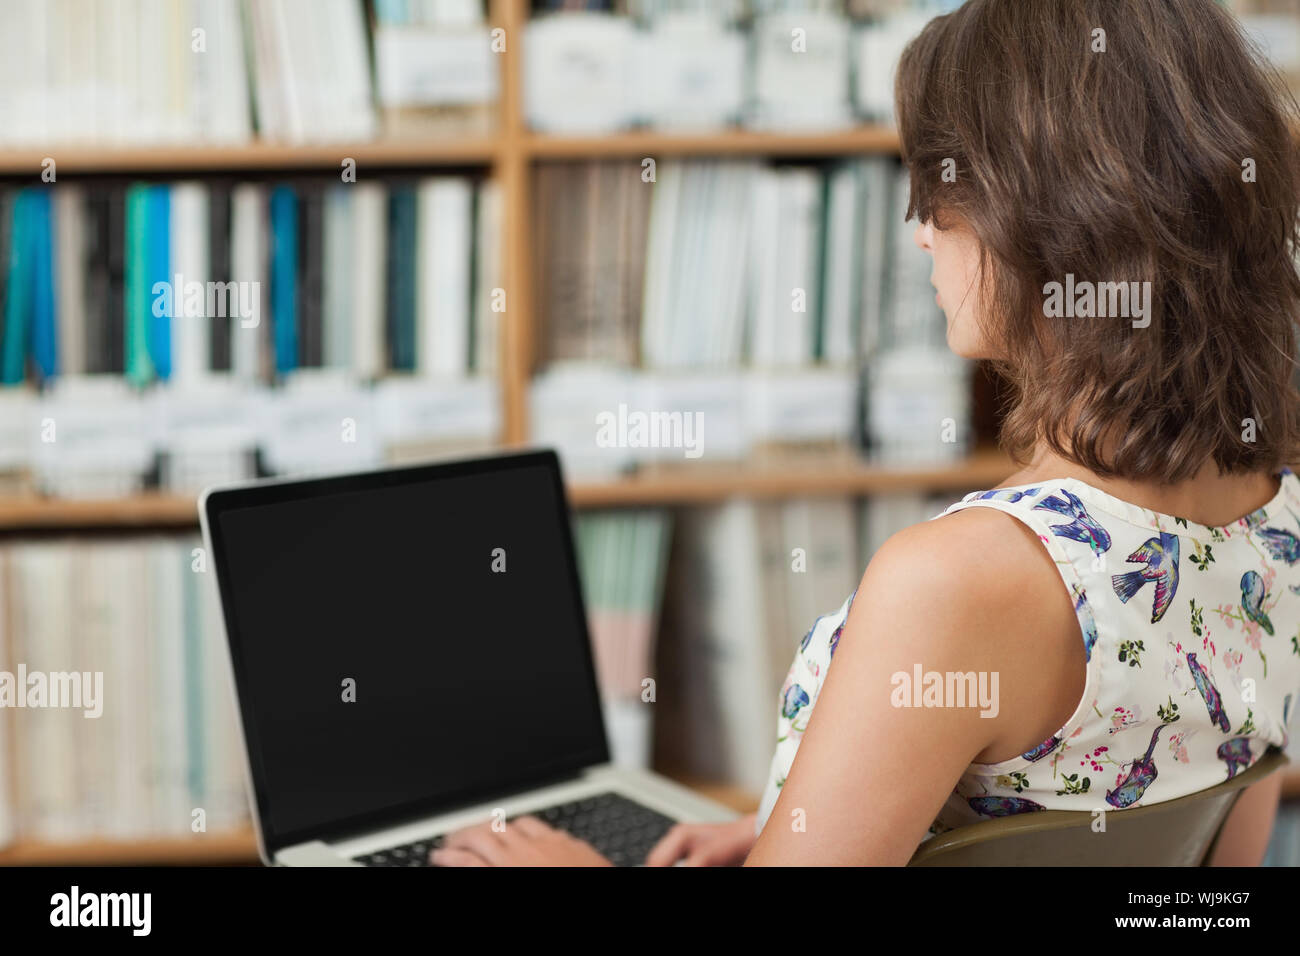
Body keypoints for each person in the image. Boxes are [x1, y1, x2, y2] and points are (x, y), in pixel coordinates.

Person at [432, 0, 1300, 867]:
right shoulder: (1278, 526)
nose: (920, 231)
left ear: (1054, 214)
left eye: (942, 189)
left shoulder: (964, 582)